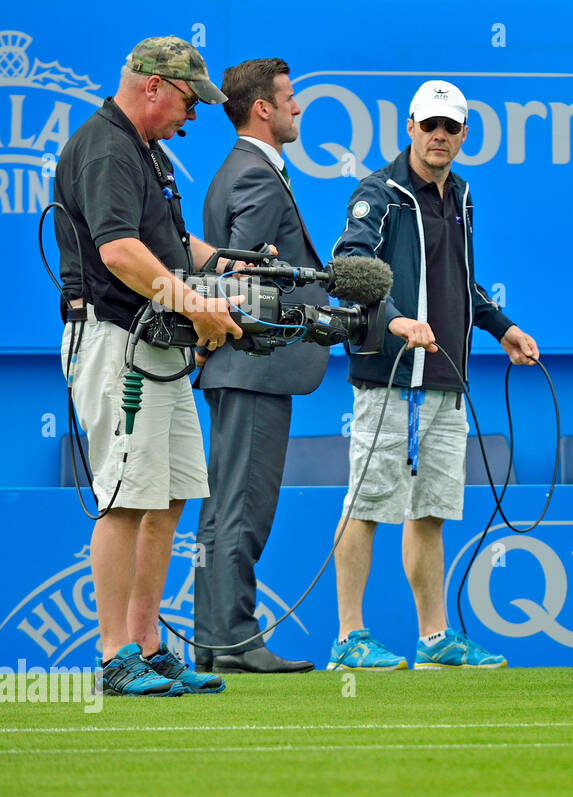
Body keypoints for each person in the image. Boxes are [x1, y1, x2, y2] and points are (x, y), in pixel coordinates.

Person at [53, 37, 245, 696]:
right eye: (191, 101)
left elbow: (170, 242)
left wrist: (228, 263)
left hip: (153, 338)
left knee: (167, 496)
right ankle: (113, 657)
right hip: (113, 337)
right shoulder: (108, 147)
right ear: (154, 87)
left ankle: (146, 643)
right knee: (125, 497)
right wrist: (200, 308)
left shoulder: (147, 153)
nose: (194, 117)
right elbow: (121, 253)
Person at [329, 79, 539, 671]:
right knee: (367, 505)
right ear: (411, 128)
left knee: (432, 511)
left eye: (451, 127)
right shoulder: (379, 192)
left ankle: (434, 638)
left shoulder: (463, 195)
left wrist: (502, 327)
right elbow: (348, 268)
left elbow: (460, 278)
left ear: (464, 134)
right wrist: (394, 321)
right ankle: (349, 639)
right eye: (430, 125)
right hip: (388, 372)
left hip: (446, 379)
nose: (440, 136)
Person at [193, 58, 322, 674]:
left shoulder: (239, 171)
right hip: (252, 364)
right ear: (263, 109)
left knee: (224, 504)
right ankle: (235, 639)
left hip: (241, 367)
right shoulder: (256, 176)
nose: (297, 107)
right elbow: (238, 274)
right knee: (241, 504)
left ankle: (218, 639)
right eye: (289, 98)